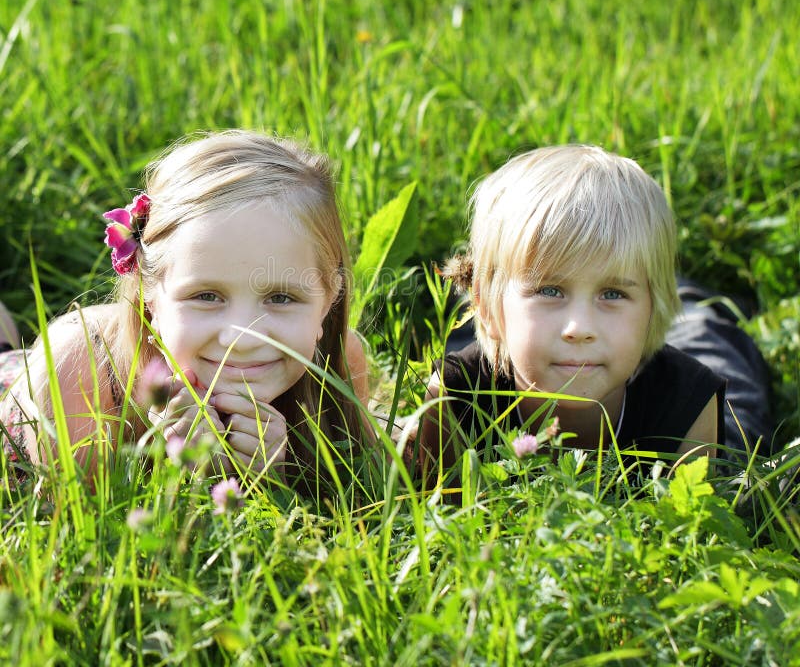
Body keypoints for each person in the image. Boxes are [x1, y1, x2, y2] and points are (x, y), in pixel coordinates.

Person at [0, 131, 370, 490]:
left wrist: (272, 482)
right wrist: (185, 480)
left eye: (281, 298)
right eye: (207, 296)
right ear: (150, 295)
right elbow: (77, 536)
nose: (241, 338)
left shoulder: (338, 366)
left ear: (327, 300)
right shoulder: (79, 376)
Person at [419, 144, 730, 484]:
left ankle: (694, 298)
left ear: (653, 309)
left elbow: (696, 525)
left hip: (703, 359)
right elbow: (439, 514)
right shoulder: (456, 397)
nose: (579, 328)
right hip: (499, 349)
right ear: (486, 305)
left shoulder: (686, 403)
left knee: (713, 337)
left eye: (613, 293)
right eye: (549, 290)